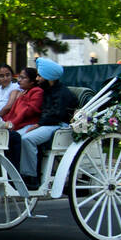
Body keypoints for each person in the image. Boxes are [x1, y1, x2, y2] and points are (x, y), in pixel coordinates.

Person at [19, 57, 79, 187]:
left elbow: (56, 115)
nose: (37, 79)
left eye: (40, 76)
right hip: (48, 124)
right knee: (17, 136)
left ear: (49, 78)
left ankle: (31, 177)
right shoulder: (48, 90)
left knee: (27, 139)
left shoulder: (62, 93)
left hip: (57, 126)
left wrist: (38, 124)